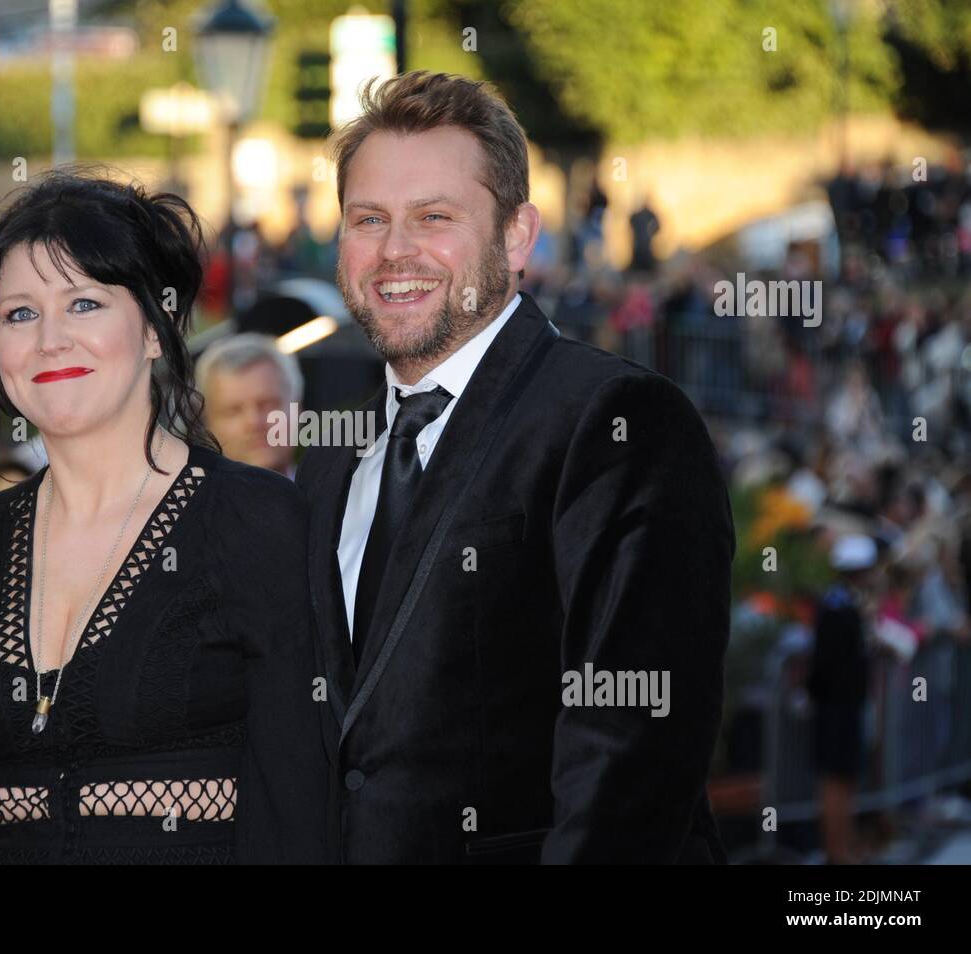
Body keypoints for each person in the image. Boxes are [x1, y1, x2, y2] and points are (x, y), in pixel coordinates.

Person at [0, 168, 329, 865]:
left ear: (154, 328)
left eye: (83, 304)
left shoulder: (260, 524)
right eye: (19, 313)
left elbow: (308, 806)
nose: (49, 338)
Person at [296, 70, 735, 863]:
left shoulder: (617, 423)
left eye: (435, 217)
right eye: (369, 219)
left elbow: (629, 759)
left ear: (517, 236)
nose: (395, 251)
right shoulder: (332, 450)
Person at [807, 533, 878, 865]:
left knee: (845, 778)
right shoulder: (838, 606)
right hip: (836, 708)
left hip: (844, 706)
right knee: (835, 779)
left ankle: (844, 846)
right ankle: (836, 851)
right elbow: (827, 665)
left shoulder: (846, 603)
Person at [195, 333, 302, 478]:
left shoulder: (335, 495)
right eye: (233, 411)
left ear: (298, 409)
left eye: (267, 404)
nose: (254, 423)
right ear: (208, 426)